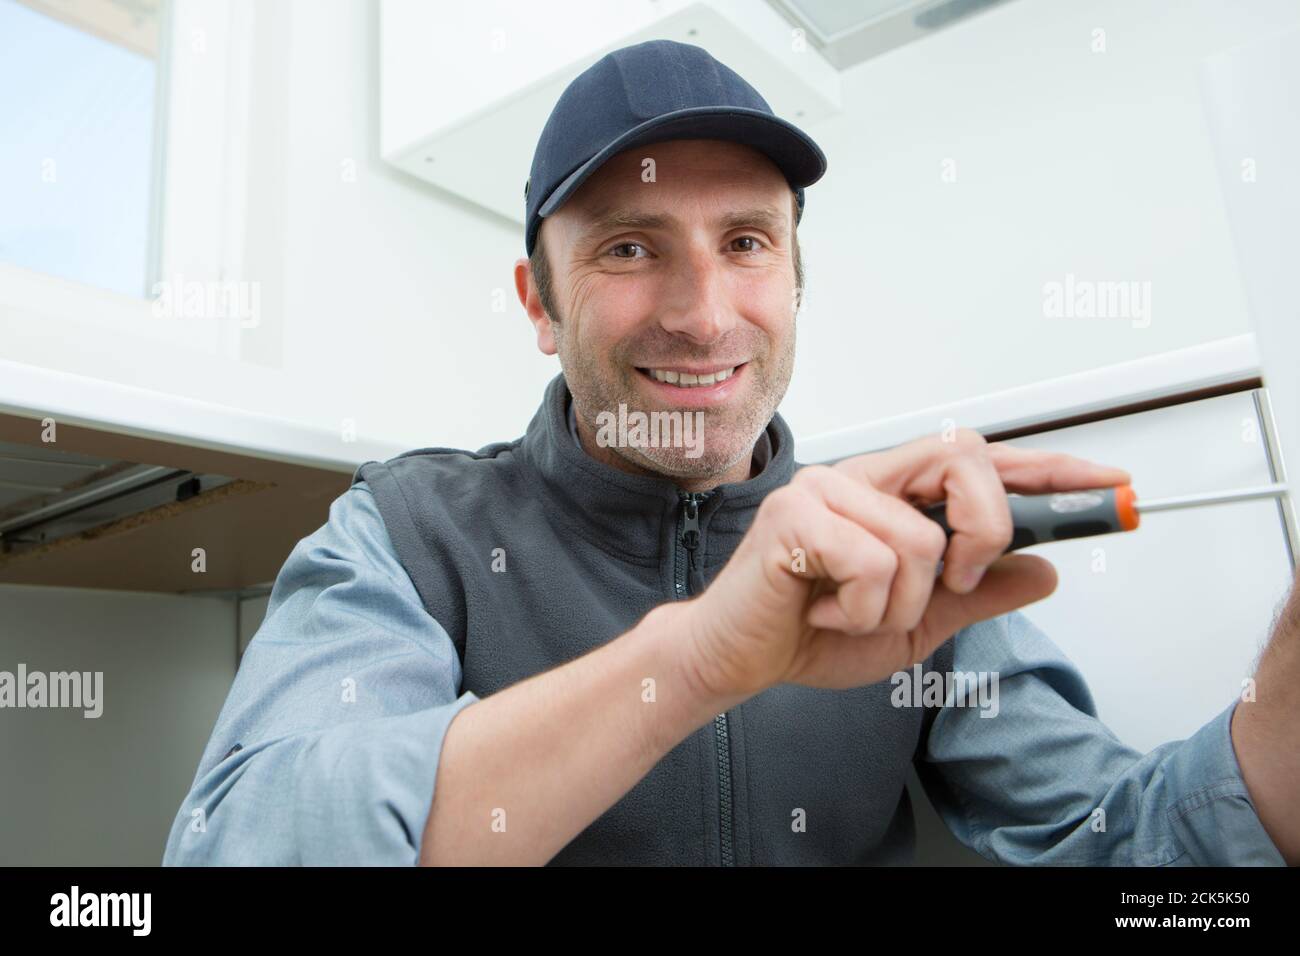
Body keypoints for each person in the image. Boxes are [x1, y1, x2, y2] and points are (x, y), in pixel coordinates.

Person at [163, 39, 1296, 867]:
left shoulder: (895, 550)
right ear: (540, 303)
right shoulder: (408, 535)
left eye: (746, 242)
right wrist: (695, 658)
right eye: (628, 247)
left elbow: (1140, 858)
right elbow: (242, 847)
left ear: (796, 277)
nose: (704, 315)